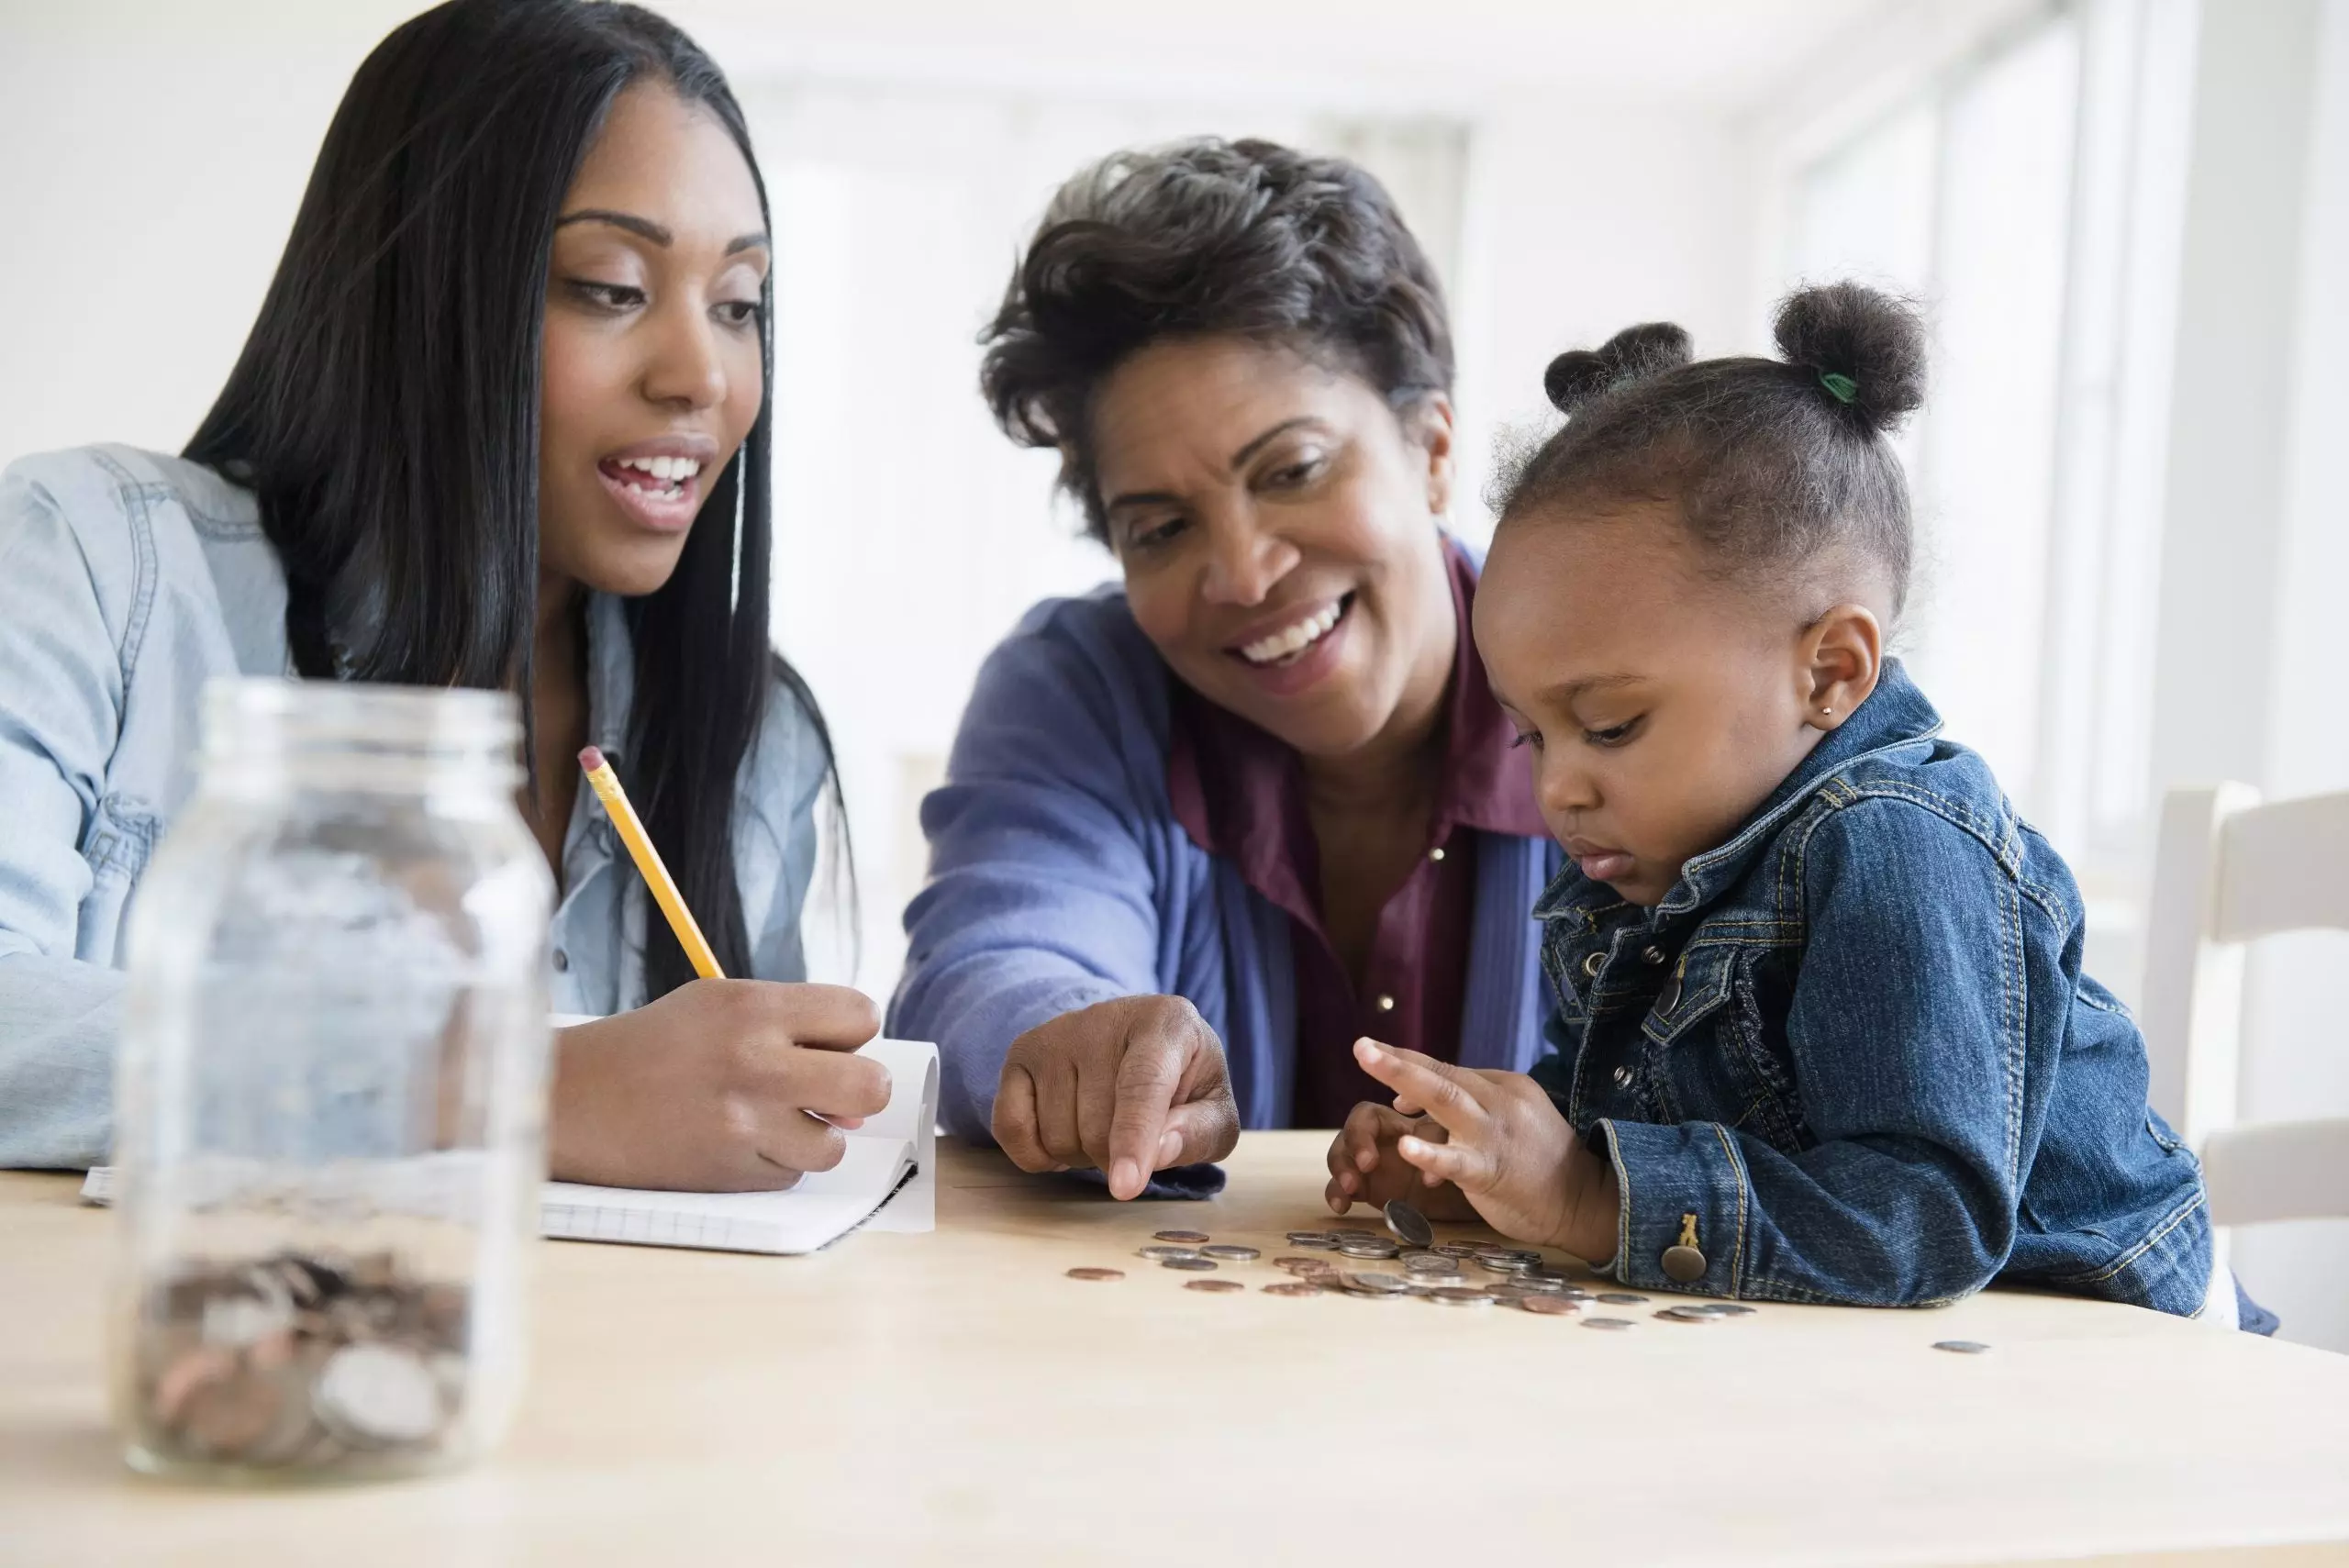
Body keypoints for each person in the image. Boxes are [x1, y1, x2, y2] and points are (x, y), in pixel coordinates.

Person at [0, 0, 890, 1190]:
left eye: (739, 304)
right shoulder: (93, 563)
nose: (702, 376)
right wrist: (507, 1086)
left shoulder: (748, 731)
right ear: (421, 294)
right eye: (612, 286)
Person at [1324, 283, 2266, 1328]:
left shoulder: (1895, 842)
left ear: (1829, 670)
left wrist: (1593, 1196)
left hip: (2111, 1342)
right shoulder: (1643, 843)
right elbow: (1607, 1107)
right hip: (1869, 1347)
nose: (1556, 788)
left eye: (1611, 724)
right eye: (1529, 733)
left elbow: (1923, 1215)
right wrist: (1485, 1164)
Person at [890, 139, 1560, 1200]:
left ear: (1431, 447)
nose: (1244, 575)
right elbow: (986, 960)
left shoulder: (1623, 686)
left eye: (1292, 469)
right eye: (1160, 527)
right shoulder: (1079, 686)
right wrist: (1065, 1036)